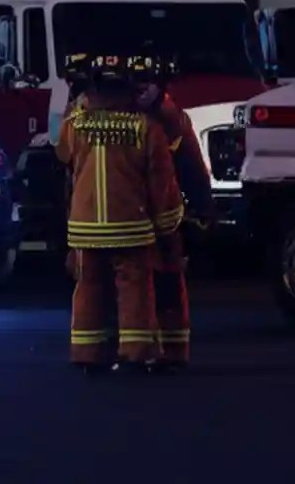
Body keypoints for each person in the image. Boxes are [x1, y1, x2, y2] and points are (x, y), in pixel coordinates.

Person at [55, 54, 183, 375]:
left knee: (89, 286)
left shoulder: (78, 124)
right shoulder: (146, 128)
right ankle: (135, 353)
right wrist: (169, 229)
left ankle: (87, 353)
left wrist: (75, 106)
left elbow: (62, 155)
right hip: (130, 226)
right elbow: (160, 185)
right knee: (134, 286)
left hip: (85, 227)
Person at [130, 54, 213, 371]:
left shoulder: (166, 117)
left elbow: (190, 164)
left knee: (160, 280)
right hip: (146, 211)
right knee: (148, 282)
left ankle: (159, 350)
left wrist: (201, 207)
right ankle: (157, 348)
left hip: (155, 212)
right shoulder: (157, 114)